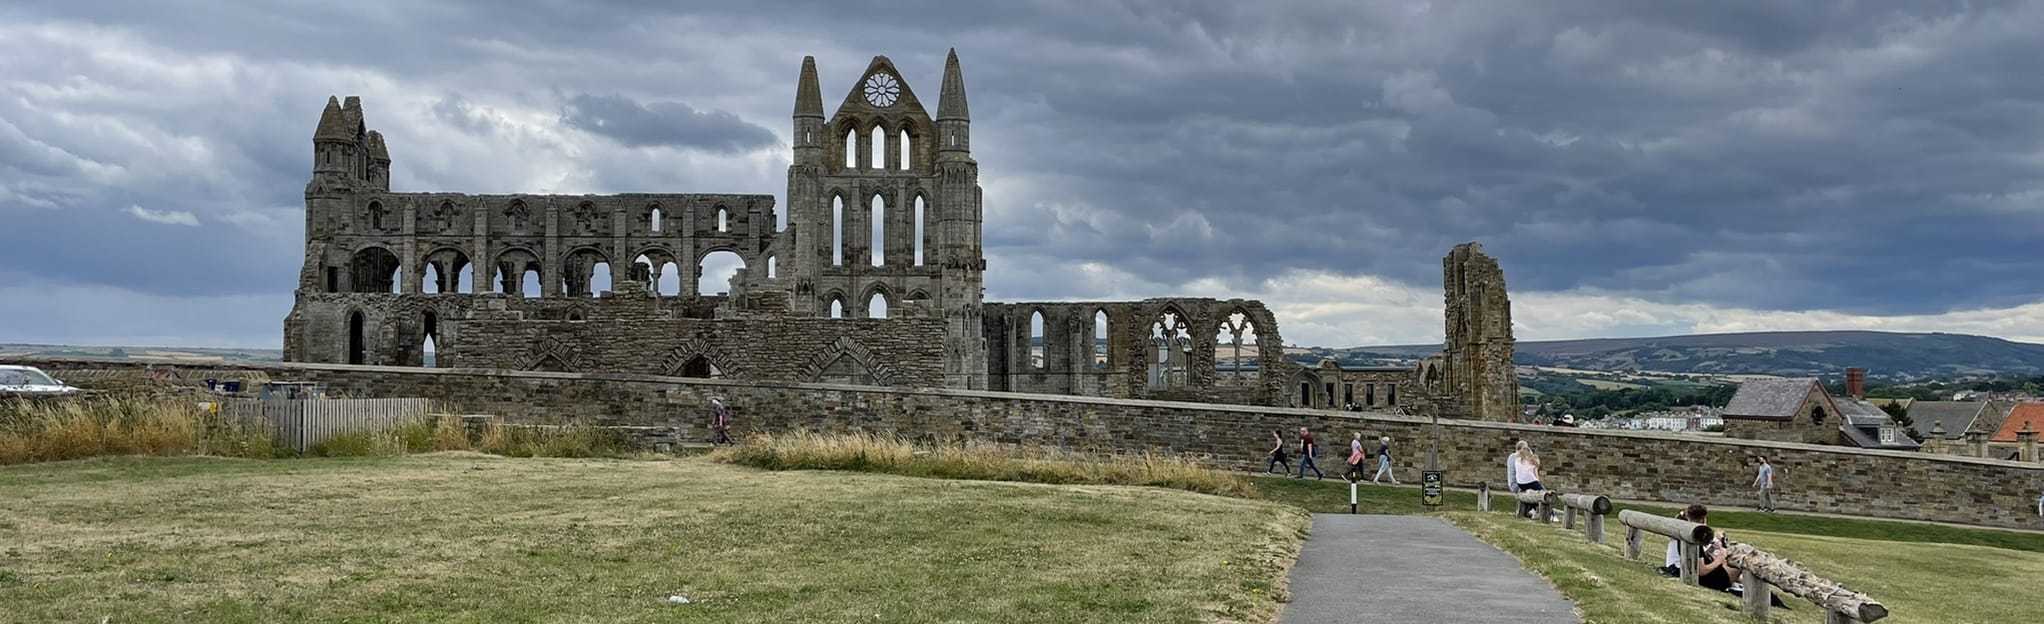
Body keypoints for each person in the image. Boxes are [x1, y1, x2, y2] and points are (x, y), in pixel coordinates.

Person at [1512, 441, 1543, 518]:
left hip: (1520, 484)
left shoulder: (1517, 460)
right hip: (1531, 482)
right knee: (1542, 493)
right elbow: (1536, 475)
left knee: (1532, 493)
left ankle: (1532, 509)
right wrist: (1538, 482)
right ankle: (1550, 514)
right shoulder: (1531, 461)